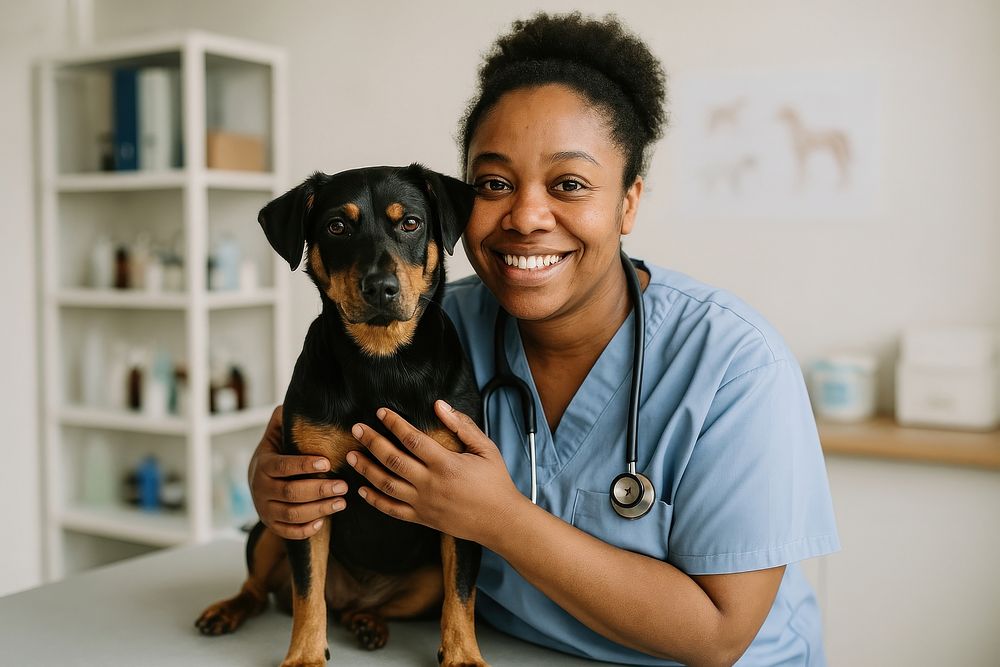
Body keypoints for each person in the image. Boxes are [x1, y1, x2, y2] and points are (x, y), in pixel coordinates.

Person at [248, 12, 840, 666]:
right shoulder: (434, 325)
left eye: (569, 184)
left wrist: (500, 518)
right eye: (495, 184)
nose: (527, 216)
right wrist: (271, 485)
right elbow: (327, 451)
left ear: (628, 202)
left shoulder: (736, 365)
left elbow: (719, 636)